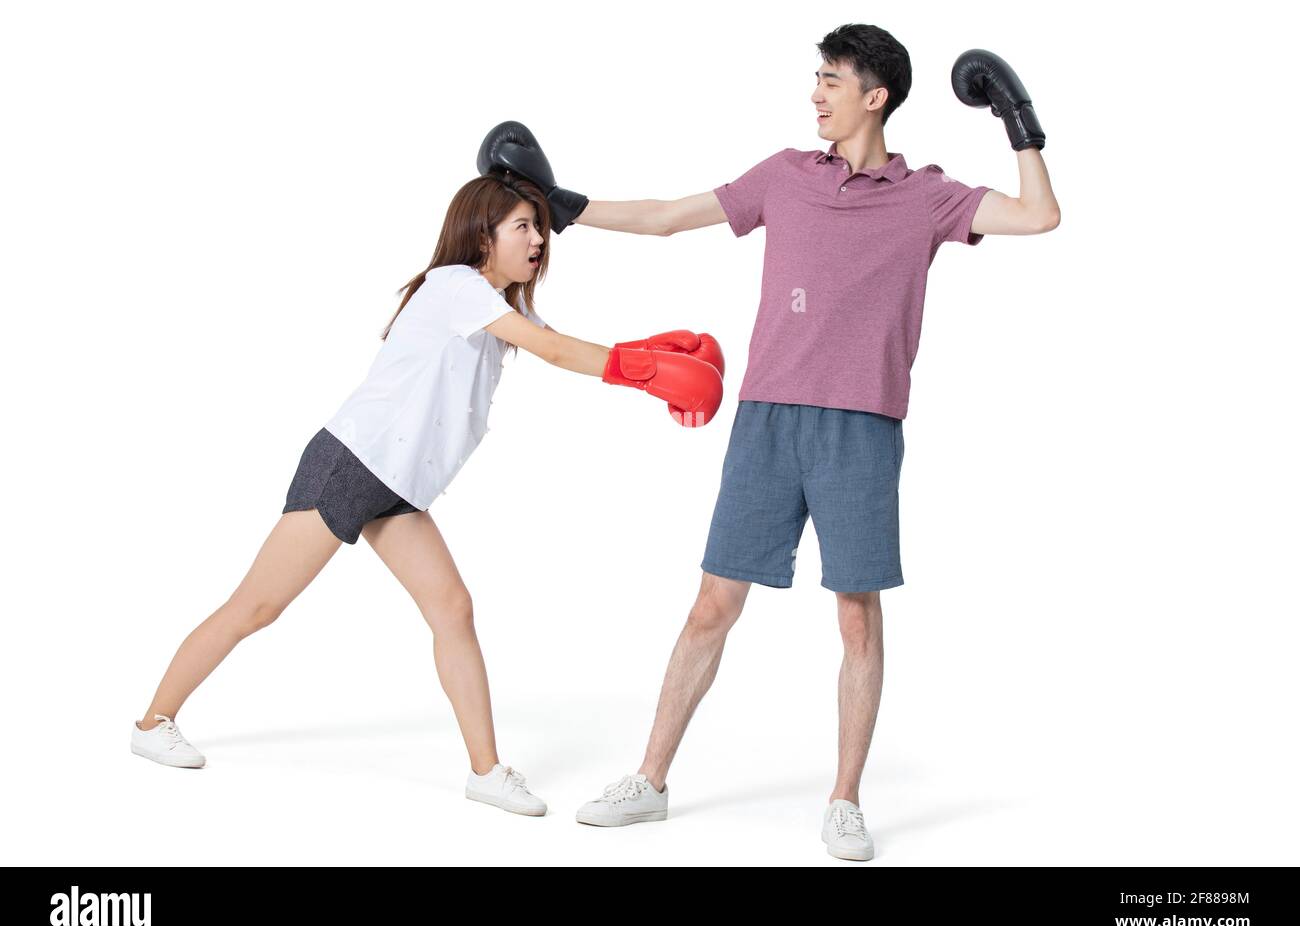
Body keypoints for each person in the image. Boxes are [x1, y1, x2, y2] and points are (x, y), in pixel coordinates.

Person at [487, 24, 1061, 859]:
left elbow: (1041, 216)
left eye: (832, 80)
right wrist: (559, 204)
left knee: (857, 619)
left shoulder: (927, 196)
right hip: (767, 421)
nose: (816, 93)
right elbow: (664, 218)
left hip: (861, 426)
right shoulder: (786, 175)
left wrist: (1018, 118)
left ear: (876, 96)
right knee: (712, 606)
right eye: (815, 78)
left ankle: (844, 800)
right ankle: (649, 779)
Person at [129, 170, 725, 819]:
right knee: (257, 606)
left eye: (539, 226)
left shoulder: (506, 305)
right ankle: (153, 722)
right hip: (352, 465)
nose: (537, 239)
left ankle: (486, 771)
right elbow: (553, 352)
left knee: (452, 608)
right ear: (482, 235)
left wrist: (648, 352)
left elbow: (559, 343)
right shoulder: (456, 287)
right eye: (521, 226)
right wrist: (647, 374)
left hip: (398, 485)